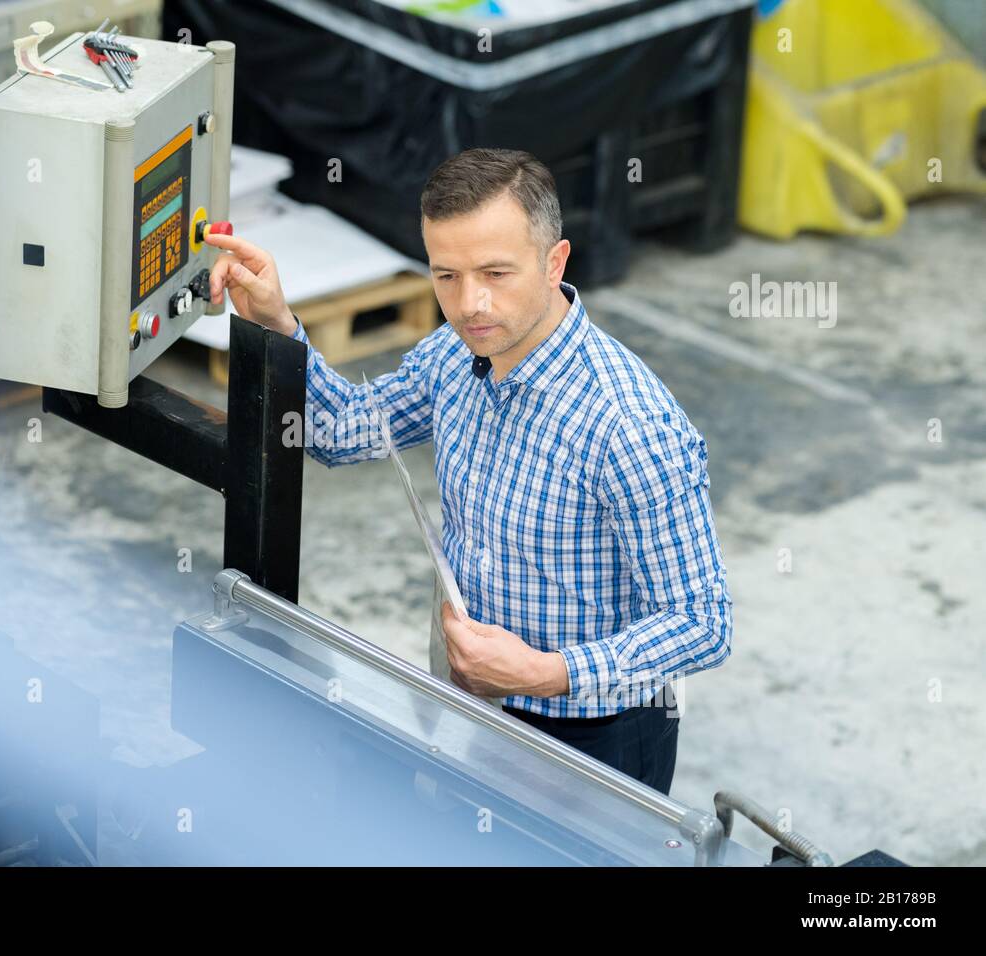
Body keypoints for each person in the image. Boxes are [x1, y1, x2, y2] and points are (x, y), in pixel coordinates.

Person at [203, 148, 732, 796]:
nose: (470, 303)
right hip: (473, 705)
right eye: (446, 275)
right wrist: (280, 324)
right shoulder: (457, 353)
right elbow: (346, 433)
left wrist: (545, 672)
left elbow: (702, 623)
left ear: (555, 261)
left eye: (495, 272)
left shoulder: (630, 427)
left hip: (594, 739)